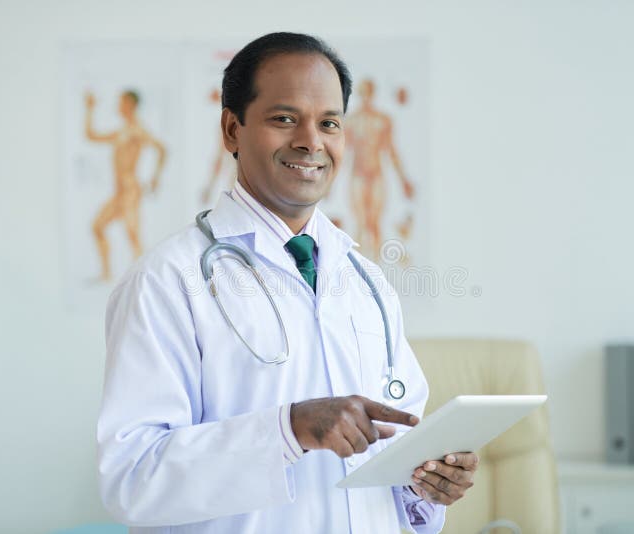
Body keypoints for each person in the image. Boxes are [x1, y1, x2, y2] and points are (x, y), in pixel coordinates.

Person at [97, 33, 478, 534]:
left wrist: (426, 483)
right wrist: (288, 429)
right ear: (232, 129)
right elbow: (132, 480)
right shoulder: (167, 280)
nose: (310, 141)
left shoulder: (366, 282)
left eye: (329, 123)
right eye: (284, 119)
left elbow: (396, 445)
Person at [85, 90, 167, 281]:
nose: (118, 106)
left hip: (130, 190)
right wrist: (89, 109)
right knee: (98, 226)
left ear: (130, 104)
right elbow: (91, 135)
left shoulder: (137, 130)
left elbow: (162, 149)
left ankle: (145, 278)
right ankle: (106, 274)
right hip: (119, 191)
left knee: (132, 234)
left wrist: (155, 178)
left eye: (121, 102)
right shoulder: (121, 132)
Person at [346, 78, 415, 259]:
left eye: (369, 93)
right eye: (363, 93)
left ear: (373, 94)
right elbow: (342, 154)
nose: (366, 98)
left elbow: (392, 152)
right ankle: (357, 275)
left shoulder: (383, 121)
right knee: (361, 223)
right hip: (358, 176)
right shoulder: (351, 121)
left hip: (376, 175)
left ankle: (375, 271)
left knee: (375, 223)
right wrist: (327, 184)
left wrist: (404, 181)